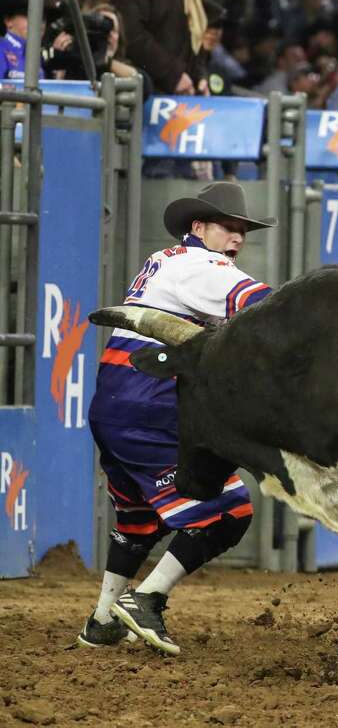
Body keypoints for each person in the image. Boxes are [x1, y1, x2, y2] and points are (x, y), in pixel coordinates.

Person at [79, 182, 275, 655]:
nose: (238, 237)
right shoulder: (204, 266)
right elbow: (268, 308)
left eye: (243, 230)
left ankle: (102, 621)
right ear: (198, 227)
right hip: (149, 406)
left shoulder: (166, 260)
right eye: (228, 227)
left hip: (115, 405)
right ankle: (146, 598)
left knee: (139, 519)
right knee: (229, 511)